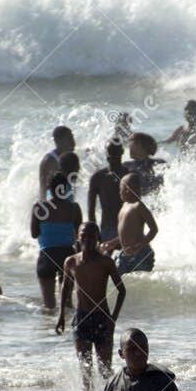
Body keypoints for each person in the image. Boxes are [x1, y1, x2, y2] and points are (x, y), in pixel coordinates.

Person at [57, 222, 127, 391]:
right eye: (83, 236)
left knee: (105, 371)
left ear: (98, 238)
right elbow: (66, 289)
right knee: (85, 371)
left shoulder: (106, 262)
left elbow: (121, 291)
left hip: (102, 318)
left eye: (91, 236)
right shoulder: (71, 261)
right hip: (80, 319)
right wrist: (61, 317)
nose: (87, 239)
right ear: (78, 237)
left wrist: (113, 318)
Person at [31, 170, 83, 310]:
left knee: (48, 307)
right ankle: (68, 331)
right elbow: (80, 238)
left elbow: (34, 234)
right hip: (68, 256)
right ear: (66, 188)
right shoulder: (74, 208)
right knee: (67, 305)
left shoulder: (39, 208)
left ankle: (48, 331)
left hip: (46, 257)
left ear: (48, 187)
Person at [104, 174, 159, 273]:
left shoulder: (138, 206)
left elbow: (154, 229)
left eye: (120, 188)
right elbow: (125, 234)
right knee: (119, 278)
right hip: (125, 254)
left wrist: (140, 245)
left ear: (127, 189)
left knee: (139, 279)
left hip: (140, 253)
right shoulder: (124, 206)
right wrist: (111, 243)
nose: (119, 192)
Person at [87, 140, 128, 242]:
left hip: (127, 227)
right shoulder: (97, 177)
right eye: (111, 152)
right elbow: (91, 210)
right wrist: (95, 234)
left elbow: (136, 204)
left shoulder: (129, 175)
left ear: (122, 152)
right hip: (107, 229)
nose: (113, 156)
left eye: (116, 152)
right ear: (106, 154)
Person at [38, 125, 77, 200]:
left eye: (73, 137)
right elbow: (43, 188)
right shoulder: (50, 161)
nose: (73, 142)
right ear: (59, 141)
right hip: (52, 204)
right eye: (70, 139)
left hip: (67, 201)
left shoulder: (70, 158)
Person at [125, 131, 166, 196]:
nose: (129, 147)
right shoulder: (126, 166)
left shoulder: (159, 163)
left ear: (143, 147)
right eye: (129, 145)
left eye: (133, 144)